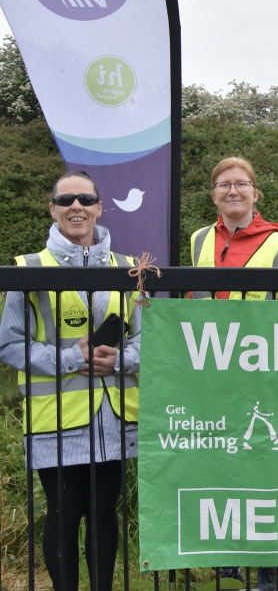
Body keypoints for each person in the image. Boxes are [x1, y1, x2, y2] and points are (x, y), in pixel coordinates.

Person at [0, 171, 141, 591]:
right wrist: (69, 358)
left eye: (84, 199)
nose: (75, 206)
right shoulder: (28, 269)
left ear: (99, 207)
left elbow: (147, 342)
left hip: (112, 414)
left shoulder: (130, 269)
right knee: (64, 512)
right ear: (53, 210)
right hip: (56, 416)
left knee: (103, 511)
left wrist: (119, 360)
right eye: (65, 200)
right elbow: (9, 344)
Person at [190, 157, 278, 590]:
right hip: (212, 372)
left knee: (266, 468)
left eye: (241, 184)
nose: (232, 191)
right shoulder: (200, 239)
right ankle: (227, 563)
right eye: (224, 184)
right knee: (221, 465)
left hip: (264, 373)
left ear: (256, 192)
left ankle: (267, 566)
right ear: (214, 193)